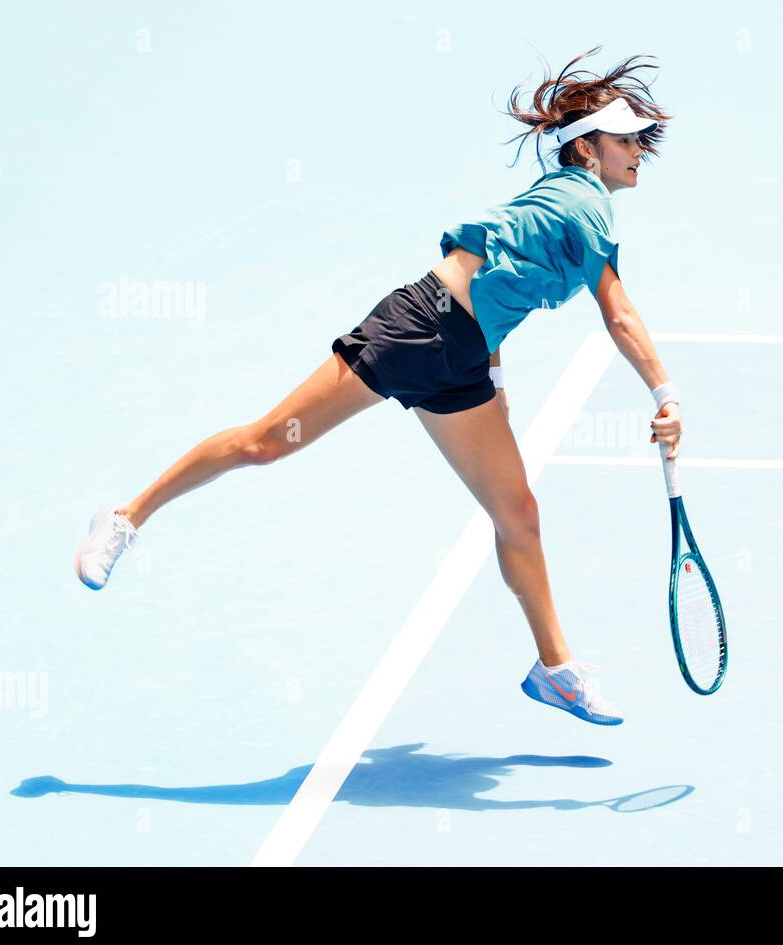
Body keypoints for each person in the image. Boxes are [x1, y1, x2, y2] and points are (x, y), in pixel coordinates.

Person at [74, 47, 681, 726]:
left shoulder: (569, 207)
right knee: (266, 444)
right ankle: (125, 517)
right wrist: (665, 394)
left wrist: (495, 374)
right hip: (418, 328)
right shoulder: (586, 205)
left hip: (464, 359)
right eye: (624, 140)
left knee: (519, 517)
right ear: (586, 150)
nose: (637, 152)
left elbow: (500, 278)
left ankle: (555, 669)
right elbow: (619, 313)